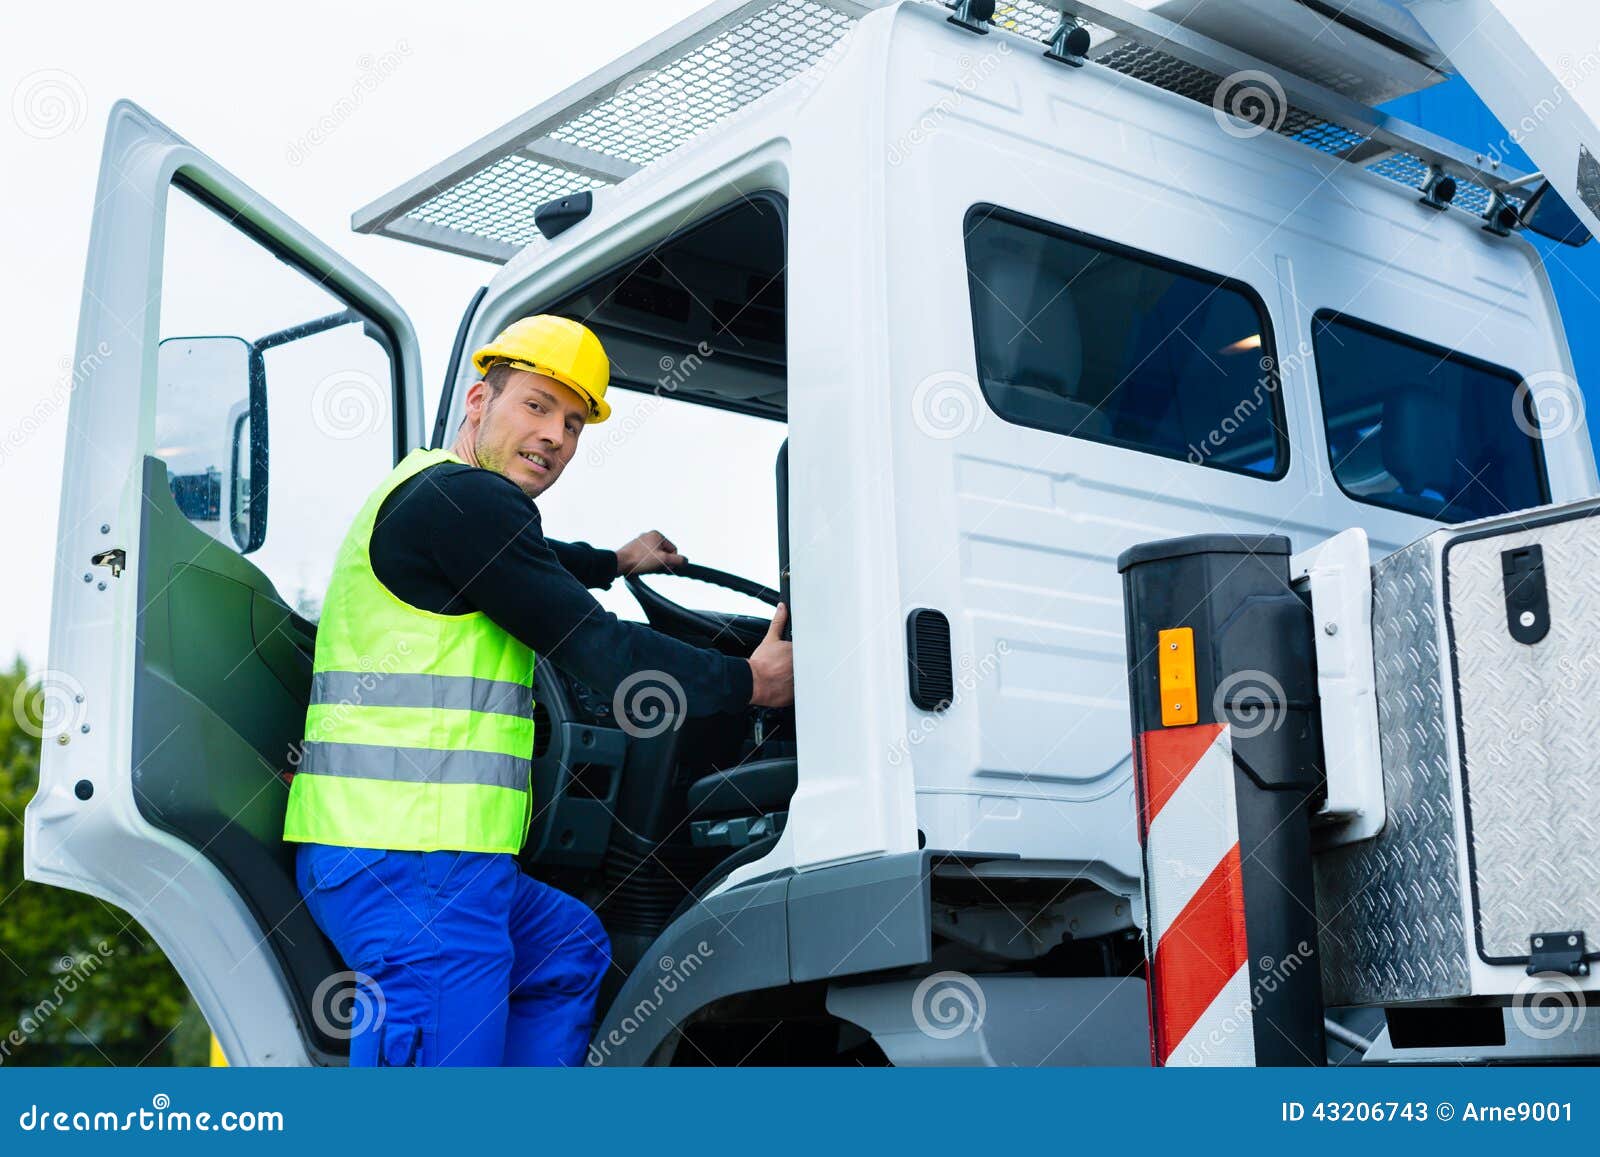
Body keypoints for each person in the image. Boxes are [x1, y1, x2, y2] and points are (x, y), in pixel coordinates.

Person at [282, 314, 793, 1066]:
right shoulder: (469, 504)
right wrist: (751, 680)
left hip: (402, 856)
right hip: (413, 864)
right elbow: (600, 650)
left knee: (566, 948)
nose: (556, 435)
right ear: (479, 402)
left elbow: (524, 560)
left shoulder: (426, 492)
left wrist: (615, 561)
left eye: (575, 422)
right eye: (537, 405)